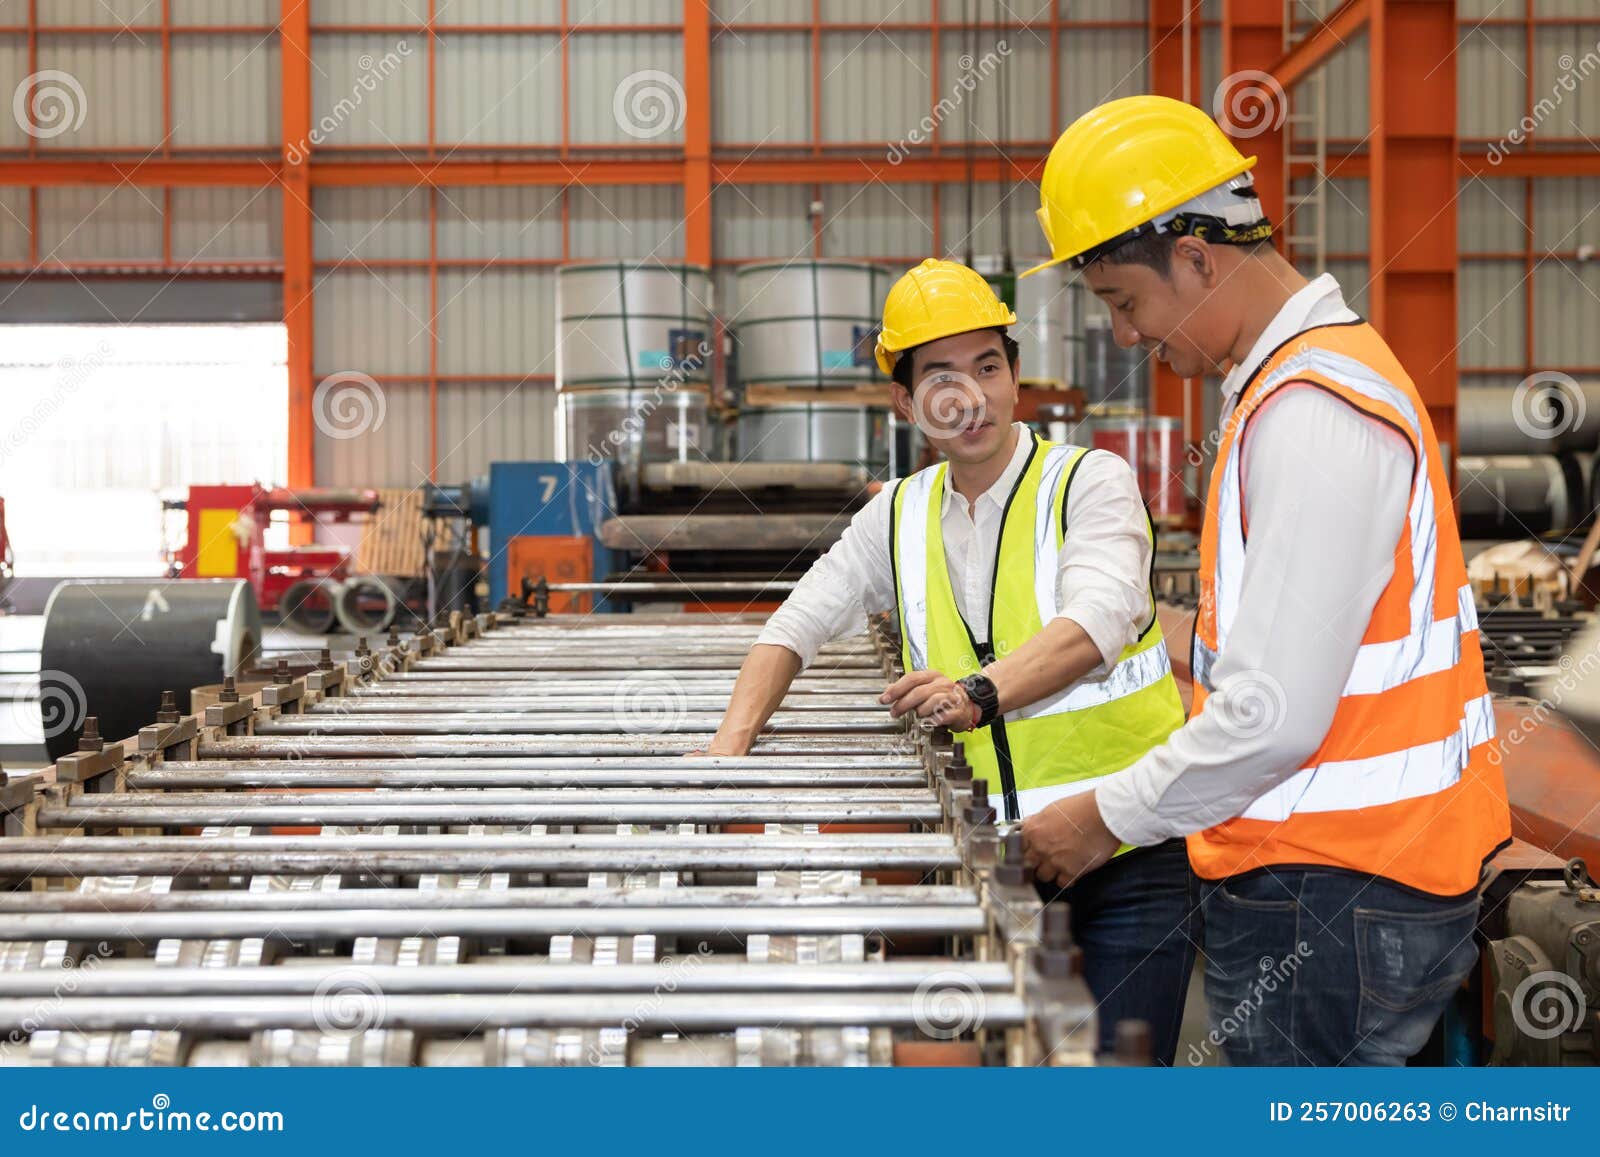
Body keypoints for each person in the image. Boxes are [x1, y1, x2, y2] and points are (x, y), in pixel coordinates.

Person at [1017, 95, 1511, 1066]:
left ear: (1198, 259)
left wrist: (1098, 818)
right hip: (1345, 883)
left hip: (1336, 890)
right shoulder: (1300, 387)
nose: (1124, 336)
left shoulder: (1312, 411)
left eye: (1123, 301)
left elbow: (1273, 713)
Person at [705, 257, 1199, 1063]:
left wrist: (978, 691)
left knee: (1114, 1085)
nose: (969, 394)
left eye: (989, 366)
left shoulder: (1088, 482)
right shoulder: (895, 516)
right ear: (905, 401)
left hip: (1124, 848)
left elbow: (1100, 618)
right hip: (983, 857)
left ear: (1015, 381)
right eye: (941, 374)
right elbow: (792, 625)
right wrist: (730, 745)